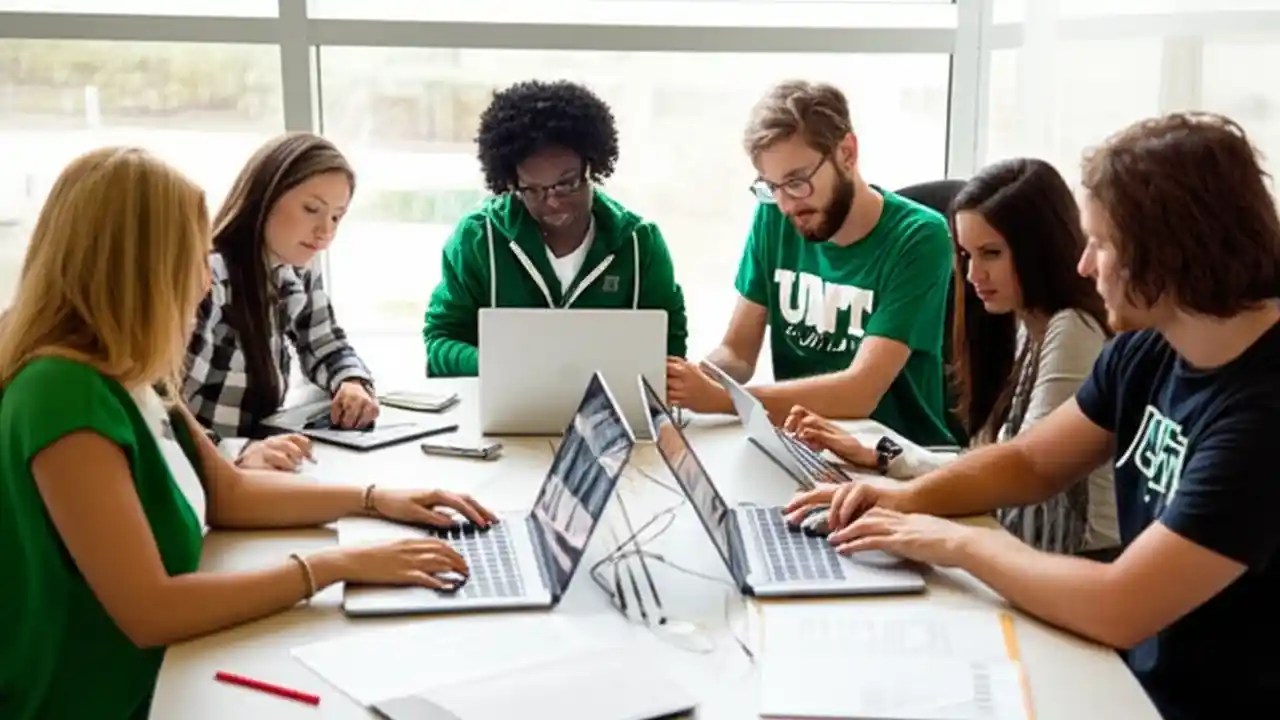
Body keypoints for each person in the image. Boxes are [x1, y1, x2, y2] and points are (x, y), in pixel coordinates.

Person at [785, 112, 1280, 720]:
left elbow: (1120, 604)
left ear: (1169, 249)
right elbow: (1031, 460)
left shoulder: (1261, 418)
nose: (1084, 266)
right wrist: (898, 501)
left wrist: (954, 541)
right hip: (1132, 675)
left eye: (1102, 243)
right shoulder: (1147, 351)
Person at [0, 147, 497, 720]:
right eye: (190, 257)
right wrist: (337, 567)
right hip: (110, 697)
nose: (200, 279)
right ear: (138, 267)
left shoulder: (131, 370)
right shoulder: (62, 392)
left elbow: (228, 492)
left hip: (173, 667)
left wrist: (375, 499)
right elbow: (151, 610)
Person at [786, 158, 1119, 555]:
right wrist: (881, 456)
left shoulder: (1073, 329)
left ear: (1039, 248)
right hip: (1027, 550)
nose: (974, 274)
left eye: (991, 253)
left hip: (1080, 560)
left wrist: (896, 501)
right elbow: (988, 466)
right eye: (966, 255)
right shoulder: (1024, 327)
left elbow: (1016, 473)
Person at [666, 80, 955, 447]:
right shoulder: (773, 217)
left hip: (894, 457)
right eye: (772, 187)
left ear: (847, 153)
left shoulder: (919, 237)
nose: (787, 205)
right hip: (805, 446)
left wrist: (723, 401)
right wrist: (687, 382)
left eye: (797, 182)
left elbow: (859, 392)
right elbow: (737, 353)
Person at [422, 79, 688, 376]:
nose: (553, 203)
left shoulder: (640, 243)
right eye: (532, 189)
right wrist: (497, 367)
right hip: (506, 411)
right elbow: (440, 343)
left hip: (612, 416)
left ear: (592, 167)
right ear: (510, 183)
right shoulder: (477, 238)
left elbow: (671, 348)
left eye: (566, 183)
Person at [184, 132, 378, 472]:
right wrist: (238, 452)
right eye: (311, 209)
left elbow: (325, 343)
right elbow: (168, 414)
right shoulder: (208, 279)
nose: (325, 231)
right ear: (265, 197)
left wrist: (352, 383)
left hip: (257, 467)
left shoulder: (296, 266)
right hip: (210, 473)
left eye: (336, 216)